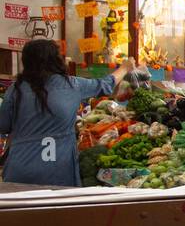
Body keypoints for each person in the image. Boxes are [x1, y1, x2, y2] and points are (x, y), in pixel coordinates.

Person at [0, 39, 136, 186]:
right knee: (60, 208)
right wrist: (125, 68)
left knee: (21, 209)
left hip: (20, 168)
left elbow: (3, 125)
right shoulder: (72, 85)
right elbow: (105, 84)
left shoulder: (16, 89)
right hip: (58, 170)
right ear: (56, 60)